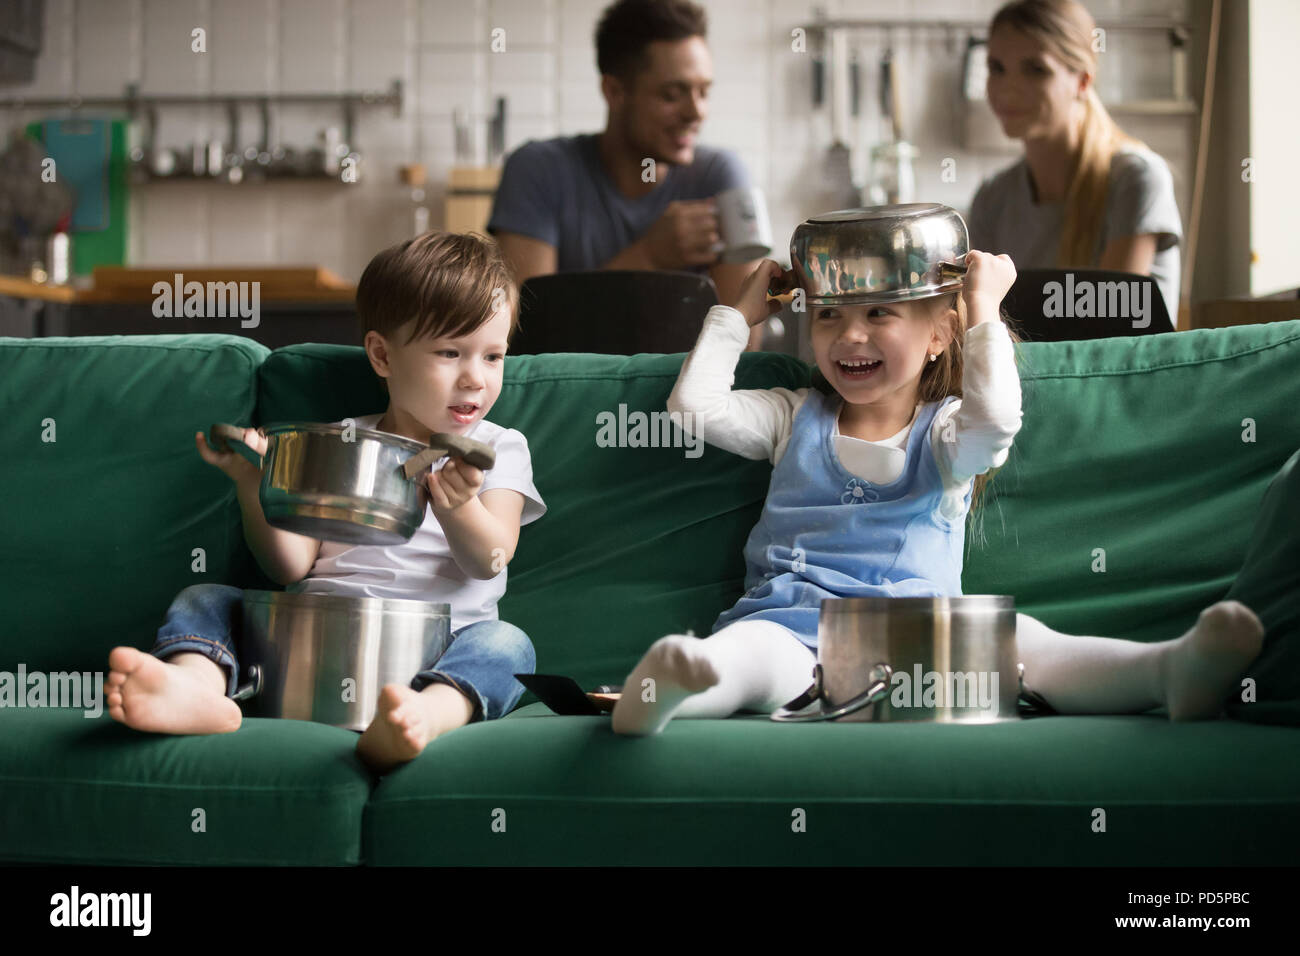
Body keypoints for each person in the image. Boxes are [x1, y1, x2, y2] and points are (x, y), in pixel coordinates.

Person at [610, 214, 1262, 735]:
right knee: (754, 655)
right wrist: (739, 313)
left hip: (927, 644)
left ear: (938, 336)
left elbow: (997, 420)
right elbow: (693, 407)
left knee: (1029, 644)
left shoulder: (948, 431)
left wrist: (982, 312)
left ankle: (1168, 670)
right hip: (796, 631)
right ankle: (683, 686)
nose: (848, 336)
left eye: (879, 314)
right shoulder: (793, 416)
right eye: (830, 314)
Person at [102, 232, 547, 772]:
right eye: (449, 353)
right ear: (383, 355)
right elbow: (289, 566)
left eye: (493, 355)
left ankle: (422, 716)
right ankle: (197, 688)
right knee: (207, 598)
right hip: (315, 640)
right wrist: (252, 485)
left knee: (508, 645)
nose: (475, 377)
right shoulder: (341, 441)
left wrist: (457, 508)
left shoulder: (497, 449)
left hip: (438, 644)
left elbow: (490, 560)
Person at [487, 0, 767, 349]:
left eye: (703, 92)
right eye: (672, 94)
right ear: (614, 92)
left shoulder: (720, 177)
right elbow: (526, 335)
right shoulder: (538, 170)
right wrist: (648, 256)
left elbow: (745, 344)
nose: (696, 112)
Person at [967, 0, 1183, 320]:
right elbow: (977, 323)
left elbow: (1109, 329)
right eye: (997, 68)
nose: (1007, 89)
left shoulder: (1137, 178)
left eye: (1035, 69)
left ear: (1082, 81)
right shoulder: (992, 197)